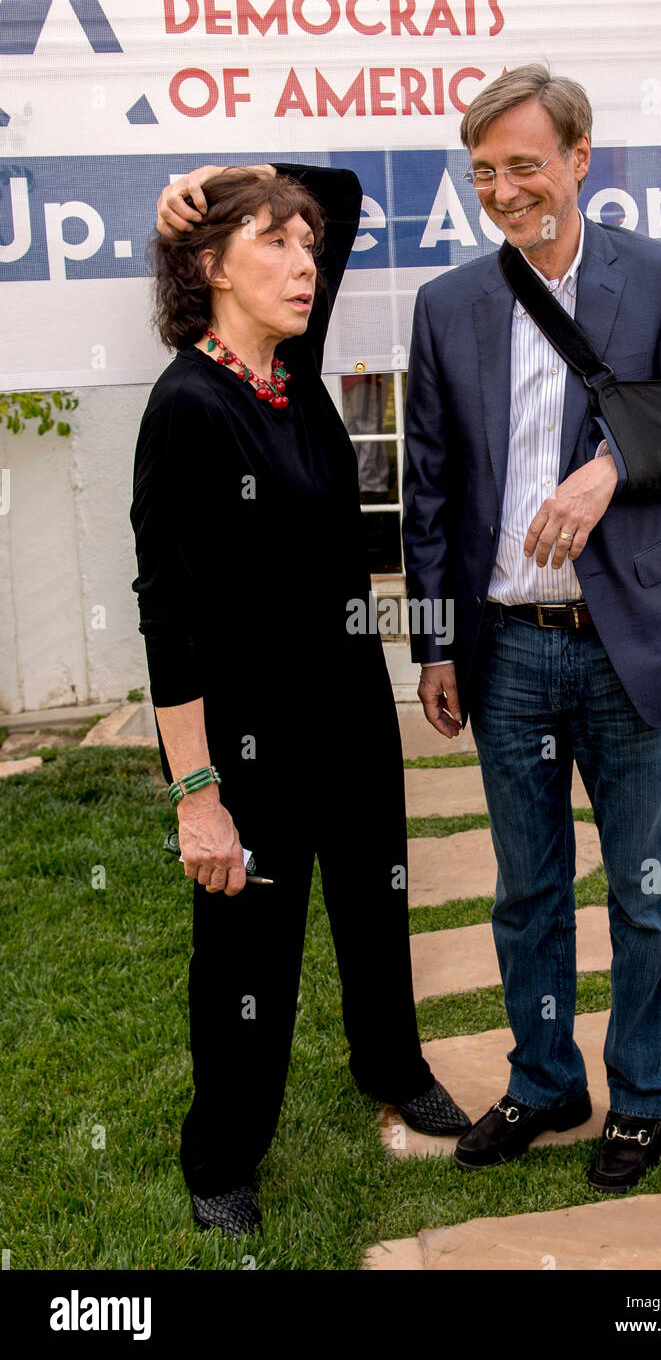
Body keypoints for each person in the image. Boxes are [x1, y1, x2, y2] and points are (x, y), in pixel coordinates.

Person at [130, 161, 468, 1239]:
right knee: (247, 954)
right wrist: (198, 793)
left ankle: (392, 1063)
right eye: (272, 241)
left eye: (307, 247)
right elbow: (167, 618)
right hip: (250, 741)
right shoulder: (189, 404)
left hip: (352, 714)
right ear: (207, 264)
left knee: (375, 910)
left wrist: (244, 180)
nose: (304, 262)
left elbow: (341, 188)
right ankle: (222, 1150)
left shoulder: (293, 374)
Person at [402, 64, 661, 1192]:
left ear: (579, 159)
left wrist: (606, 470)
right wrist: (434, 644)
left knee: (643, 886)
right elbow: (428, 486)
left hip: (625, 633)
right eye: (483, 171)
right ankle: (544, 1082)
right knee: (526, 887)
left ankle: (639, 1095)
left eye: (524, 164)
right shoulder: (447, 303)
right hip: (507, 647)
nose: (503, 189)